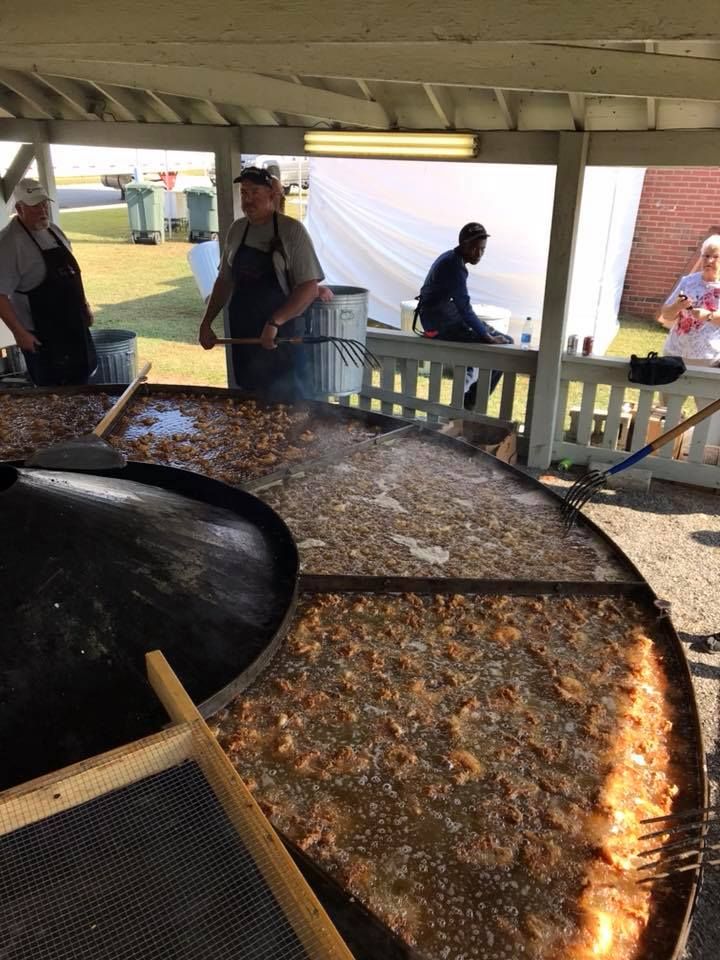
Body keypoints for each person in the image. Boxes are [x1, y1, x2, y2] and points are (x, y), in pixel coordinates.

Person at [198, 166, 325, 401]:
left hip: (282, 339)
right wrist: (206, 322)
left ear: (272, 195)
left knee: (289, 406)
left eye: (255, 192)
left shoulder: (291, 231)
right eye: (244, 193)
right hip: (245, 336)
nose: (248, 199)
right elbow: (224, 281)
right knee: (249, 404)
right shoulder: (237, 230)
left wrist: (275, 322)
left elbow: (309, 288)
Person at [0, 178, 96, 386]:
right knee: (53, 393)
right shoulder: (8, 243)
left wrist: (85, 306)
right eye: (35, 206)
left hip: (74, 324)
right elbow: (0, 295)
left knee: (84, 380)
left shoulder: (53, 230)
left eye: (44, 203)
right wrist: (20, 333)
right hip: (42, 335)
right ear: (19, 208)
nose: (42, 210)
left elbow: (71, 276)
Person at [416, 222, 513, 408]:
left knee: (488, 348)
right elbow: (464, 307)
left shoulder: (451, 258)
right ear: (463, 244)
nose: (478, 254)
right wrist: (487, 337)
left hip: (438, 318)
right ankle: (469, 403)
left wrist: (485, 334)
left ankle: (465, 400)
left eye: (482, 250)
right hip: (440, 323)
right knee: (505, 346)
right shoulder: (455, 266)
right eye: (474, 248)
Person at [658, 235, 720, 366]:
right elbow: (666, 314)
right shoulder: (688, 281)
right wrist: (677, 306)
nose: (709, 260)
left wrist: (709, 316)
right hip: (675, 352)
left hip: (708, 358)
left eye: (715, 257)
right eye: (706, 255)